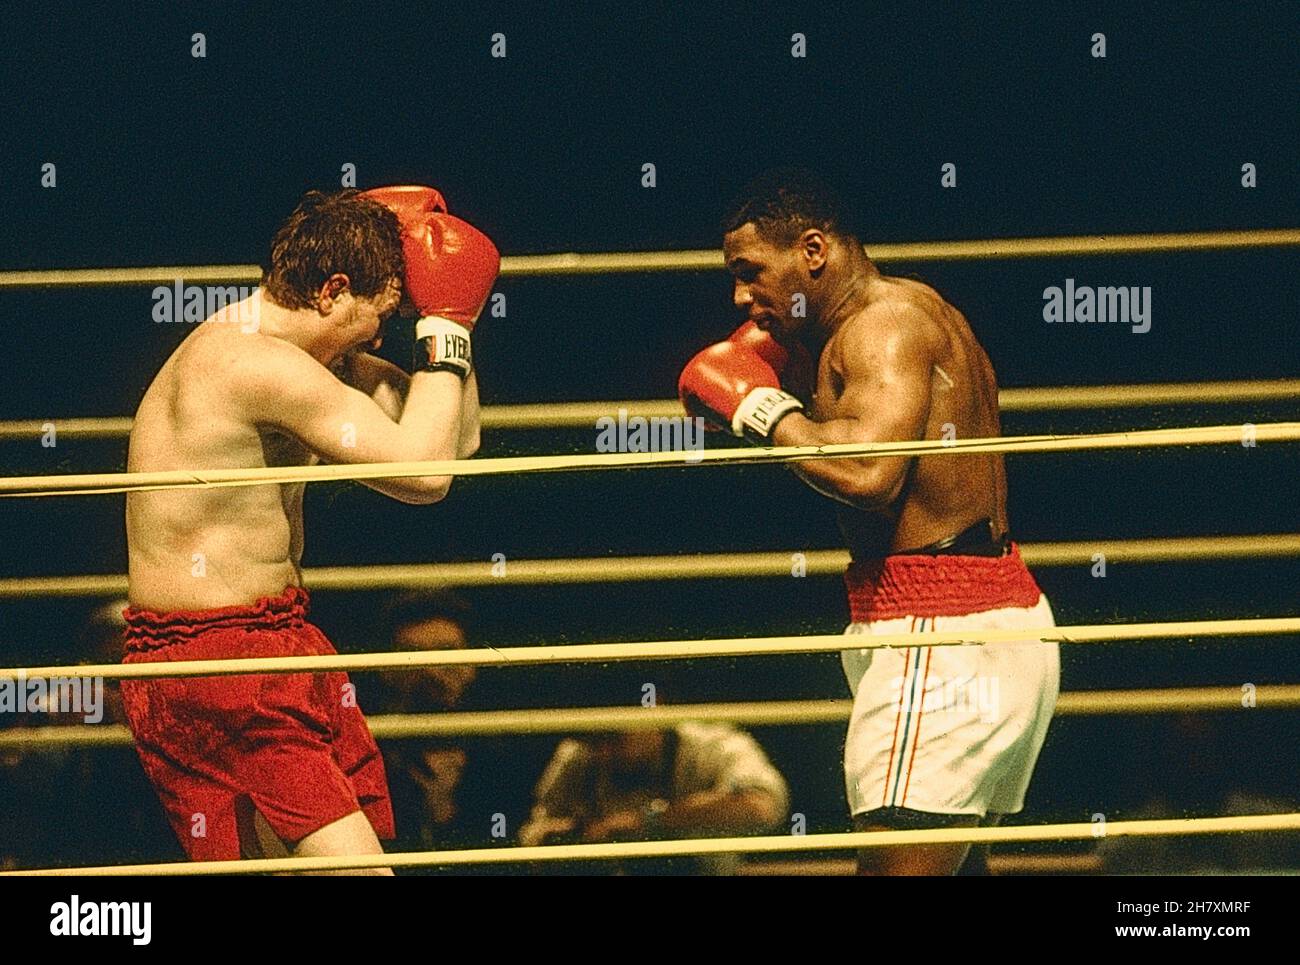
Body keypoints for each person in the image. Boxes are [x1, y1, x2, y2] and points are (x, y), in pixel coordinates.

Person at [678, 168, 1059, 875]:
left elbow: (868, 474)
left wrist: (758, 408)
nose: (739, 296)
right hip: (972, 617)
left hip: (939, 639)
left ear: (814, 251)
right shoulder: (914, 306)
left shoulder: (880, 328)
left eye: (750, 271)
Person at [120, 185, 498, 873]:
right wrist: (445, 324)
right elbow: (424, 476)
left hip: (265, 643)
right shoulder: (251, 364)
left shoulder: (309, 358)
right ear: (331, 291)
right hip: (220, 663)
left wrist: (449, 327)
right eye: (380, 314)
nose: (383, 334)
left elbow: (453, 441)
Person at [519, 722, 789, 874]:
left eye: (614, 737)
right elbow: (536, 838)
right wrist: (576, 834)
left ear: (653, 707)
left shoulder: (713, 746)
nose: (603, 752)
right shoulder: (578, 754)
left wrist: (647, 820)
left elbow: (760, 805)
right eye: (594, 741)